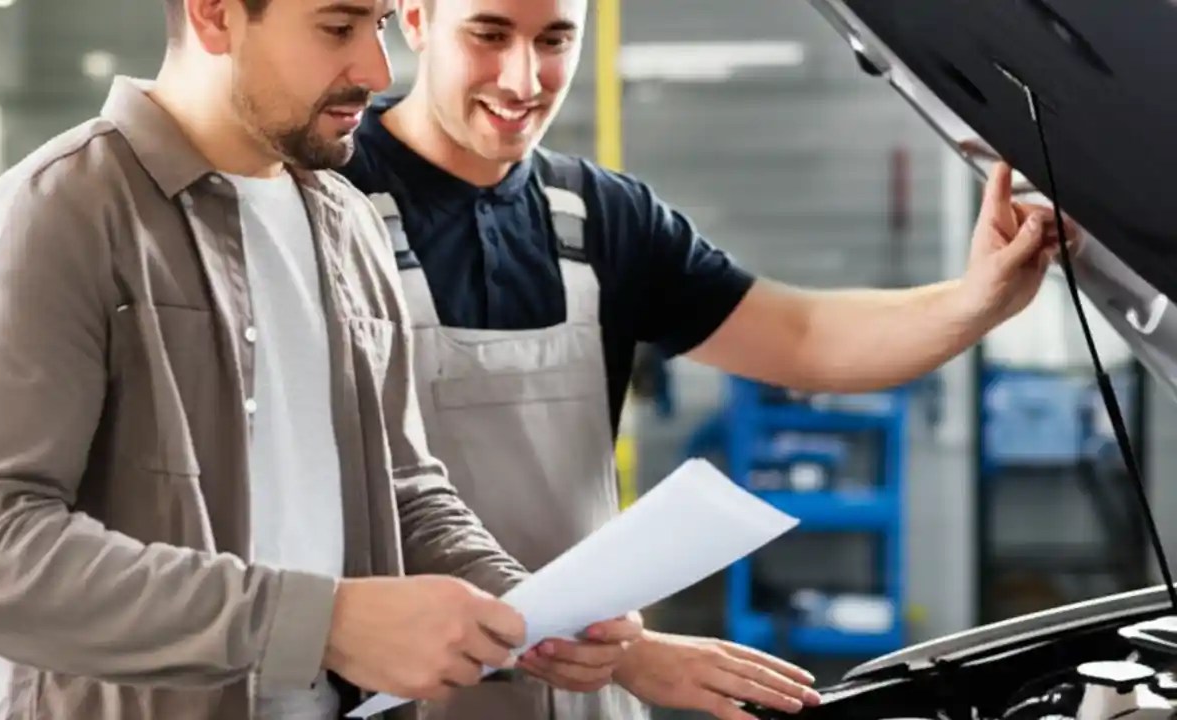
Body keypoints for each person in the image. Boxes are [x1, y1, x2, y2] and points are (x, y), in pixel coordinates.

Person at [339, 1, 1079, 718]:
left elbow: (804, 338)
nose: (523, 79)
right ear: (416, 20)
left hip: (589, 684)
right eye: (489, 35)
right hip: (406, 691)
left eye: (555, 40)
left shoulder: (604, 218)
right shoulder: (328, 202)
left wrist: (976, 300)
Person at [0, 1, 642, 718]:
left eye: (379, 26)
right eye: (337, 28)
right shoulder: (60, 212)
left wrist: (528, 610)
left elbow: (404, 492)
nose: (378, 70)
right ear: (214, 15)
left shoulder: (352, 226)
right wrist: (323, 623)